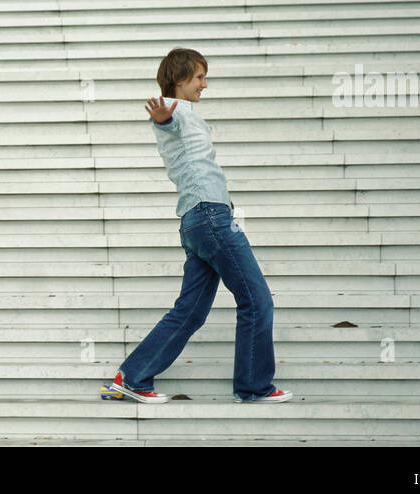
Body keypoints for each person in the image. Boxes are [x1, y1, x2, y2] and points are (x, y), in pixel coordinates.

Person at [103, 48, 292, 404]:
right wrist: (162, 117)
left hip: (196, 220)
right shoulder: (174, 112)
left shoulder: (184, 114)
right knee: (257, 301)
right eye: (199, 78)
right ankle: (253, 386)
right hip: (209, 216)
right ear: (179, 80)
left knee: (189, 311)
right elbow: (167, 122)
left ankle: (131, 376)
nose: (205, 84)